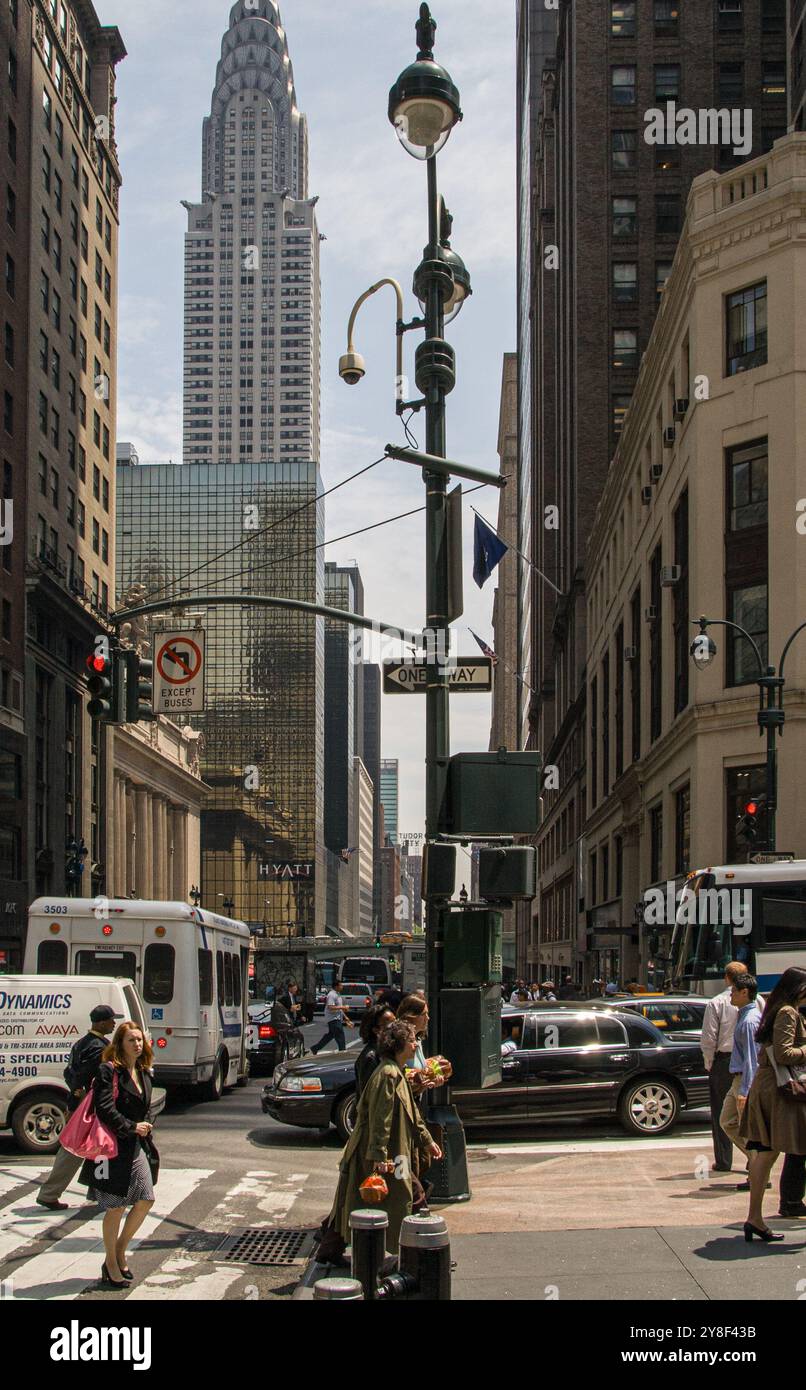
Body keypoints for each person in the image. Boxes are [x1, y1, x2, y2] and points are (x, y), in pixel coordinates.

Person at [317, 1020, 442, 1263]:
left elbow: (411, 1114)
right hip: (389, 1155)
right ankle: (420, 1253)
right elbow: (380, 1120)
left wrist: (426, 1141)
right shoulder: (388, 1074)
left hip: (396, 1153)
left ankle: (332, 1250)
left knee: (370, 1199)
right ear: (399, 1045)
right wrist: (379, 1157)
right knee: (398, 1197)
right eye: (411, 1040)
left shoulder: (395, 1071)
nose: (416, 1045)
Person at [78, 1021, 158, 1288]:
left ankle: (120, 1249)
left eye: (139, 1040)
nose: (137, 1044)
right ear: (119, 1044)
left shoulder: (144, 1071)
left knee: (146, 1198)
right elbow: (104, 1109)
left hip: (136, 1146)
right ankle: (111, 1262)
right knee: (115, 1207)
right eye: (131, 1040)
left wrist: (145, 1125)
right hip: (111, 1148)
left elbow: (146, 1106)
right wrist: (131, 1127)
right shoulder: (109, 1070)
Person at [739, 966, 806, 1240]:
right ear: (798, 988)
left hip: (769, 1088)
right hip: (780, 1091)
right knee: (768, 1152)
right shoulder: (788, 1011)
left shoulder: (775, 1008)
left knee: (764, 1152)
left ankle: (754, 1218)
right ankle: (756, 1217)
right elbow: (784, 1053)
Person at [37, 1004, 120, 1211]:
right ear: (101, 1023)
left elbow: (68, 1073)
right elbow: (84, 1075)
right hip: (90, 1105)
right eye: (111, 1020)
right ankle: (53, 1193)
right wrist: (81, 1095)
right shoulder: (98, 1047)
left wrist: (74, 1097)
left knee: (87, 1147)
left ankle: (96, 1192)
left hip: (82, 1104)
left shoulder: (82, 1043)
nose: (114, 1023)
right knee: (92, 1147)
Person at [700, 960, 748, 1173]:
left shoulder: (717, 1002)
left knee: (721, 1112)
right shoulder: (759, 1003)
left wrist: (709, 1062)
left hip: (725, 1061)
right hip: (749, 1062)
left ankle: (724, 1160)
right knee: (749, 1112)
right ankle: (753, 1157)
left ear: (726, 978)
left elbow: (709, 1037)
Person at [719, 973, 763, 1191]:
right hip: (737, 1079)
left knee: (745, 1129)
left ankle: (758, 1168)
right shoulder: (745, 1016)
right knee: (727, 1121)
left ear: (745, 992)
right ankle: (757, 1164)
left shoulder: (749, 1021)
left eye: (734, 991)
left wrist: (746, 1091)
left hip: (743, 1082)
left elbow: (752, 1060)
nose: (731, 996)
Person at [355, 1003, 396, 1097]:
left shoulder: (388, 1050)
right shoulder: (370, 1057)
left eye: (395, 1021)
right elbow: (368, 1097)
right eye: (390, 1024)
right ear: (376, 1030)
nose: (395, 1026)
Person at [310, 981, 354, 1053]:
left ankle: (315, 1048)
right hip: (333, 1019)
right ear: (336, 986)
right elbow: (330, 1007)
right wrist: (343, 1007)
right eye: (341, 985)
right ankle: (342, 1051)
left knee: (330, 1035)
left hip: (337, 1018)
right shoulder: (331, 995)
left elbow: (338, 1008)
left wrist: (345, 1017)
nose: (342, 987)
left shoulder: (338, 994)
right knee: (340, 1035)